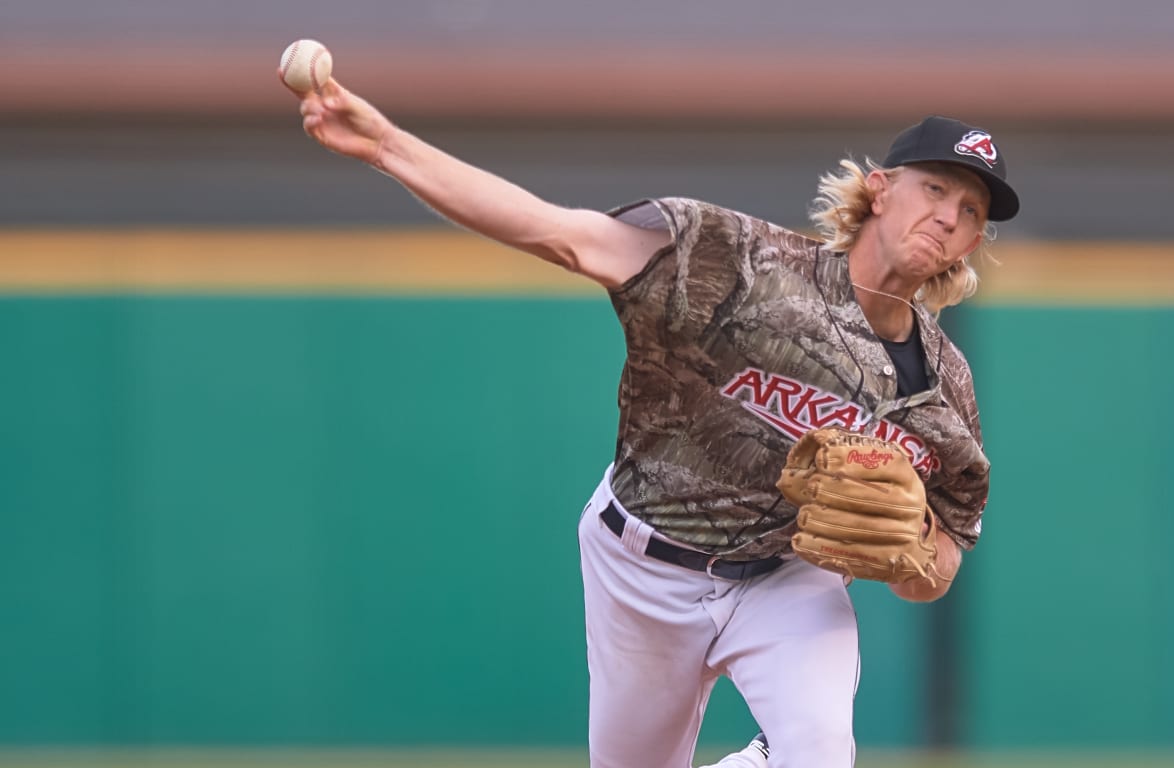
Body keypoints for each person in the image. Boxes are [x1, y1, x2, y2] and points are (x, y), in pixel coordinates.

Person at [282, 69, 1018, 768]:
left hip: (784, 580)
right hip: (641, 566)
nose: (947, 216)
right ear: (880, 190)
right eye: (935, 188)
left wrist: (913, 552)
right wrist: (386, 145)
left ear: (972, 243)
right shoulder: (743, 265)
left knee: (821, 755)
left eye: (970, 213)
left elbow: (939, 563)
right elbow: (560, 234)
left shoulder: (945, 387)